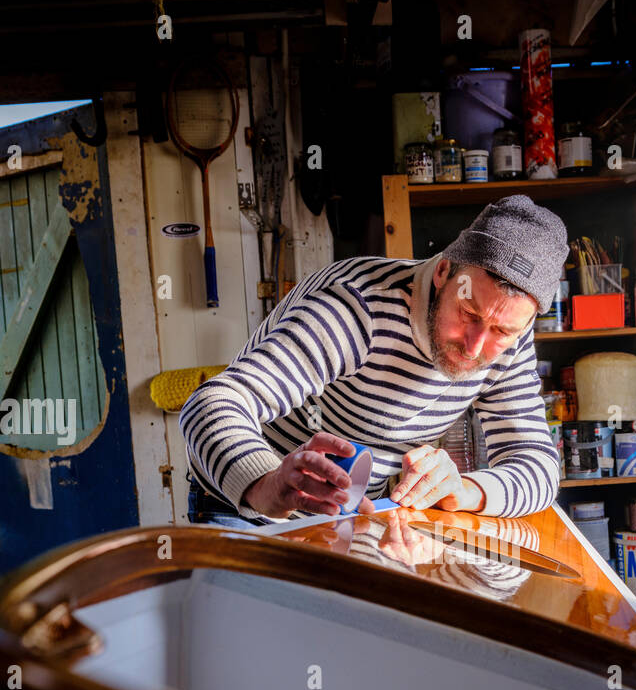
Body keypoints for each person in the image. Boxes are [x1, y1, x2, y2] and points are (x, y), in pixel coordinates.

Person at [180, 195, 566, 528]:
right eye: (467, 313)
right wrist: (264, 484)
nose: (475, 346)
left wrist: (465, 490)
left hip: (359, 512)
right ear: (444, 271)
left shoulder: (506, 330)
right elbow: (209, 405)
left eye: (503, 331)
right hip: (248, 502)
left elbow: (537, 464)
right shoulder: (357, 311)